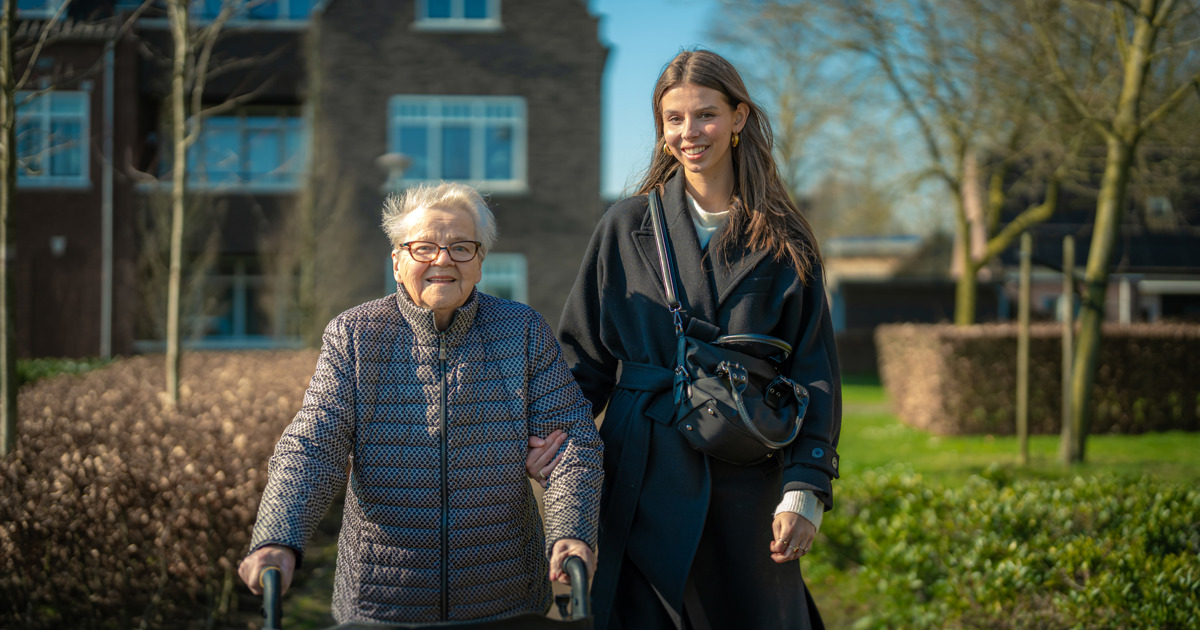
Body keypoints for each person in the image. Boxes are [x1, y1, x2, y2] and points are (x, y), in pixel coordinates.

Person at [536, 49, 842, 629]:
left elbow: (814, 369)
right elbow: (582, 361)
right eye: (673, 118)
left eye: (705, 115)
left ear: (738, 117)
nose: (689, 132)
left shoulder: (785, 239)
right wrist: (553, 442)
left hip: (746, 473)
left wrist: (806, 485)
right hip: (640, 469)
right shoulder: (625, 225)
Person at [238, 182, 604, 625]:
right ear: (397, 261)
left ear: (480, 263)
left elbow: (571, 444)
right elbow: (314, 447)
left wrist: (570, 532)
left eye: (461, 247)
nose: (443, 260)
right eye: (424, 247)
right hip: (382, 599)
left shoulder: (523, 330)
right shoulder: (354, 335)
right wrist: (277, 537)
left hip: (505, 595)